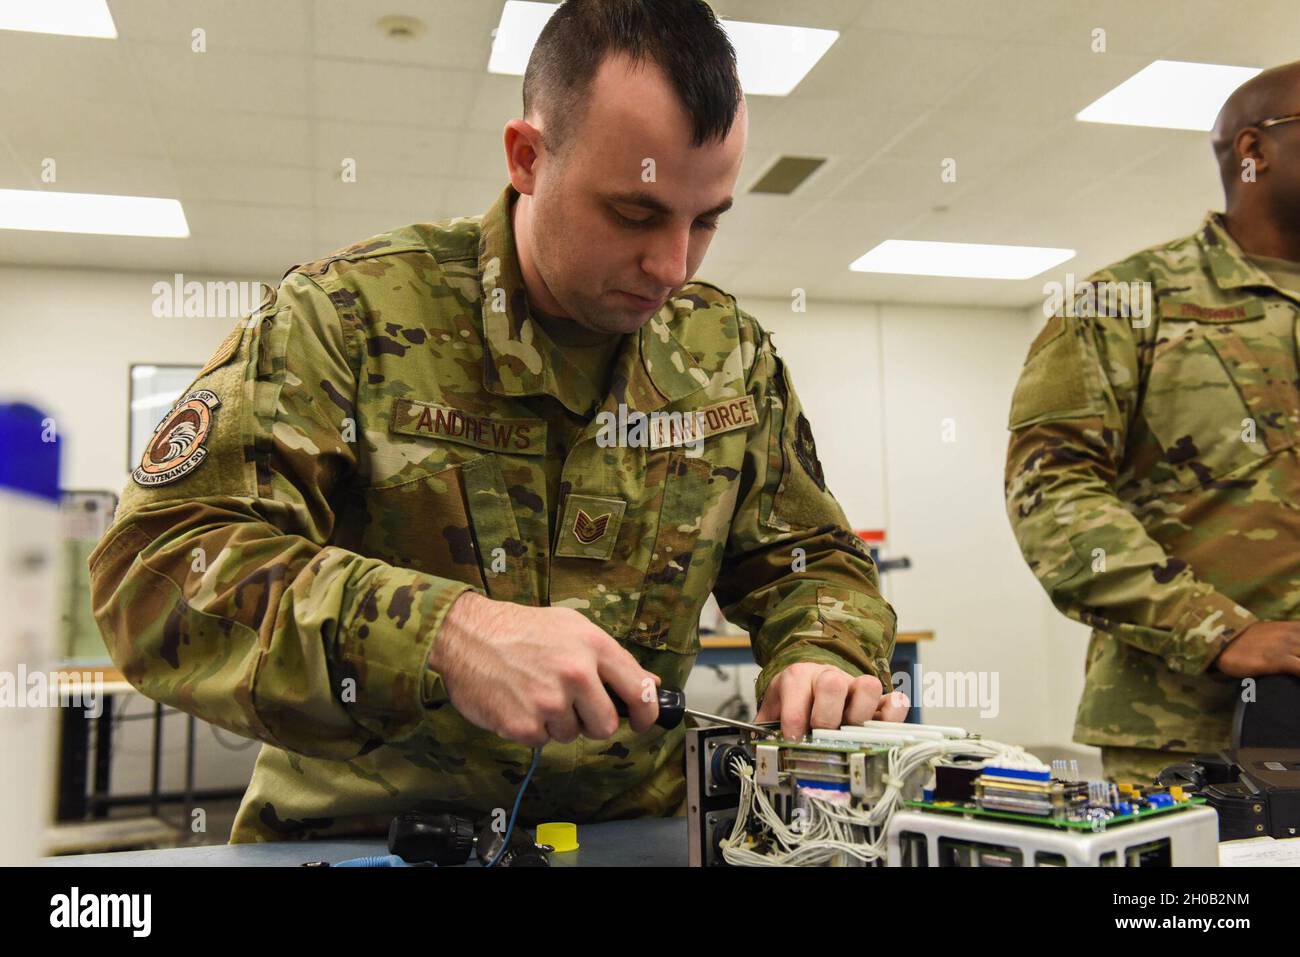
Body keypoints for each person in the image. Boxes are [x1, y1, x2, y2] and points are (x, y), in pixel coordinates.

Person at [90, 0, 907, 843]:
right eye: (635, 213)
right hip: (366, 838)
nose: (671, 266)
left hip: (629, 840)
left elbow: (812, 564)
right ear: (527, 157)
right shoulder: (346, 318)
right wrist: (444, 633)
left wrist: (826, 650)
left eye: (705, 222)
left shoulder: (727, 354)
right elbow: (154, 573)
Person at [1005, 61, 1300, 785]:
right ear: (1254, 151)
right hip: (1190, 728)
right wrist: (1217, 630)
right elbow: (1055, 498)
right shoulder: (1127, 302)